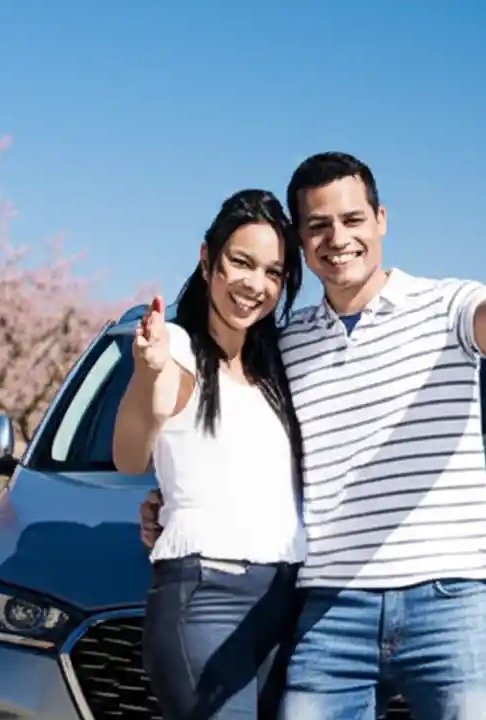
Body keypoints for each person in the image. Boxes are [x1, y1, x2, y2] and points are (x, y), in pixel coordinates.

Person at [139, 151, 486, 720]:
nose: (336, 238)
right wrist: (176, 501)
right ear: (301, 245)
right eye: (317, 226)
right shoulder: (283, 347)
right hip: (327, 610)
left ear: (380, 219)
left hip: (450, 601)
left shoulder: (446, 308)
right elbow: (233, 433)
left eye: (352, 219)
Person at [113, 188, 308, 719]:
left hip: (288, 600)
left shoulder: (278, 368)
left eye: (273, 272)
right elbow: (131, 455)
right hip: (207, 600)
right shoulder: (176, 348)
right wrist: (148, 371)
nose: (255, 285)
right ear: (208, 259)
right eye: (241, 262)